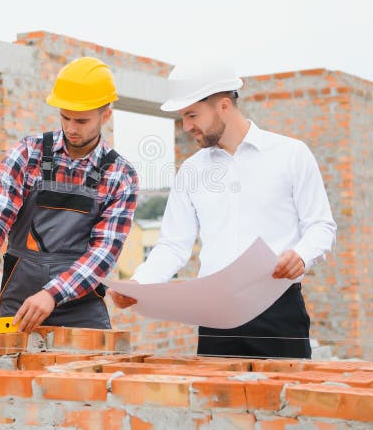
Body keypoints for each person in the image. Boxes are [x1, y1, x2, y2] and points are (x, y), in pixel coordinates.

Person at [110, 68, 336, 358]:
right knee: (216, 403)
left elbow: (320, 225)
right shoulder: (191, 170)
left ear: (224, 106)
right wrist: (140, 284)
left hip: (278, 310)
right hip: (215, 315)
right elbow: (173, 245)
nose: (186, 126)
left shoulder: (291, 155)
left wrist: (302, 255)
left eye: (192, 115)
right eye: (183, 117)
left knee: (285, 401)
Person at [0, 57, 139, 333]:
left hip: (80, 306)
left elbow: (103, 253)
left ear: (106, 115)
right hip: (20, 301)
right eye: (65, 117)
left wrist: (52, 293)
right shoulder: (29, 154)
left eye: (82, 120)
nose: (71, 128)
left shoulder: (120, 175)